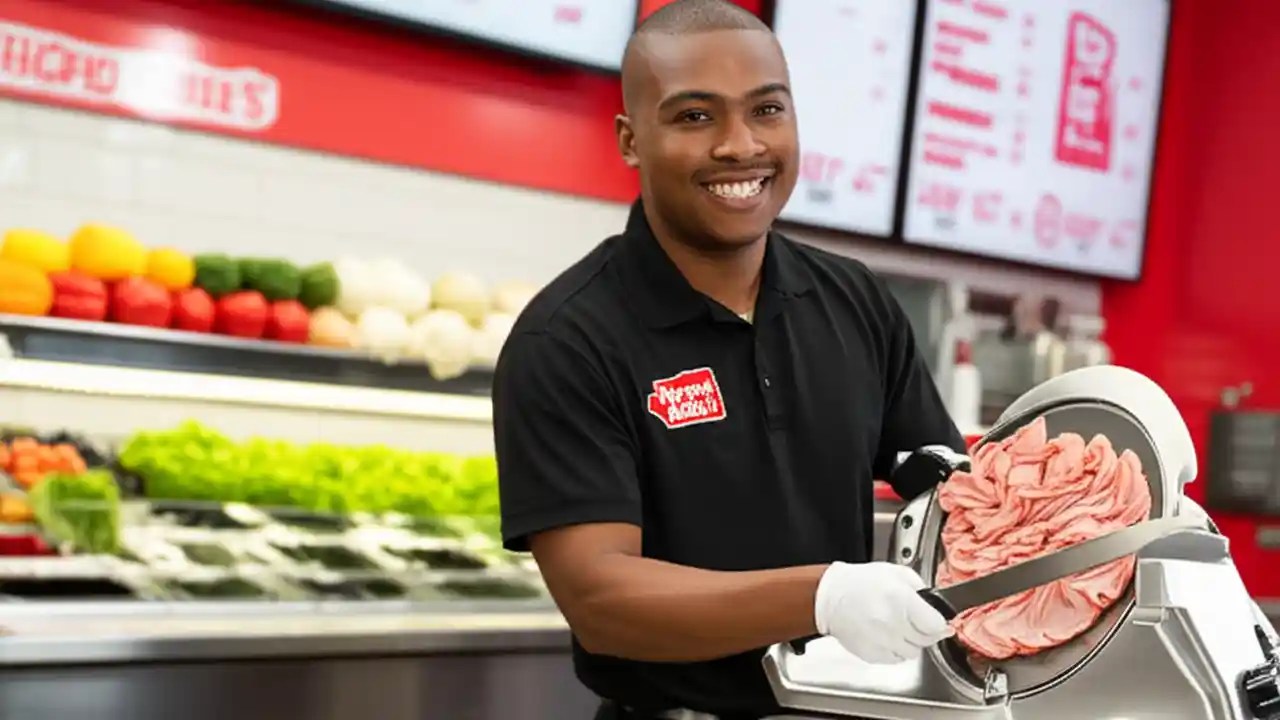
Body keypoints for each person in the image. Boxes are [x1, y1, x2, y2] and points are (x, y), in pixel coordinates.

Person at [491, 1, 967, 717]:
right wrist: (823, 596)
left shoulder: (854, 300)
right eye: (694, 117)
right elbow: (601, 597)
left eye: (767, 110)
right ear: (630, 139)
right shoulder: (567, 340)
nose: (741, 145)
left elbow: (939, 479)